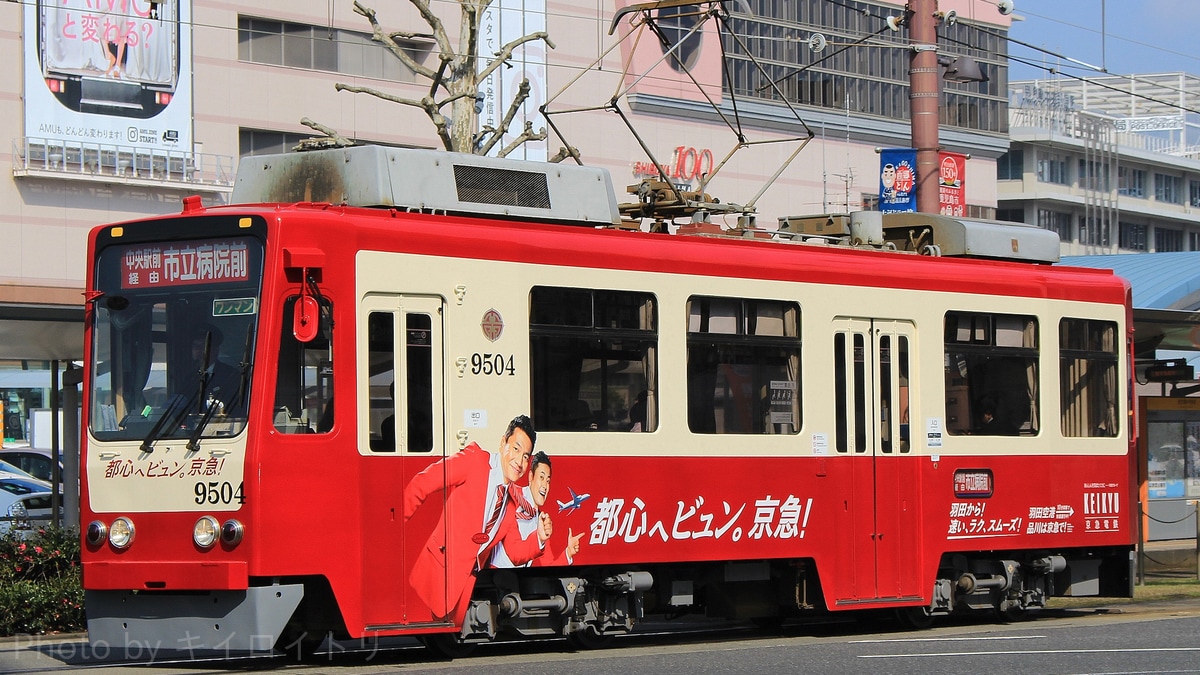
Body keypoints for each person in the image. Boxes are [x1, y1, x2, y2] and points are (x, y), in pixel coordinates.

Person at [403, 415, 551, 624]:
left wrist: (540, 538)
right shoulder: (475, 461)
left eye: (526, 456)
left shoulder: (510, 502)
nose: (519, 462)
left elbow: (515, 552)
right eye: (516, 449)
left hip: (463, 591)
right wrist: (392, 527)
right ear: (502, 443)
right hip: (435, 576)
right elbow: (423, 483)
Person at [490, 451, 583, 568]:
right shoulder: (512, 495)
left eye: (548, 481)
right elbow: (514, 554)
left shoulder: (541, 519)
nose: (545, 485)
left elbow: (547, 566)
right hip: (495, 575)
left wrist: (568, 553)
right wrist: (539, 538)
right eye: (541, 477)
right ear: (531, 477)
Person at [187, 324, 243, 416]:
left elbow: (235, 409)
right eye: (195, 346)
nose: (199, 350)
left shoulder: (230, 376)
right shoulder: (190, 377)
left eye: (203, 346)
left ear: (215, 350)